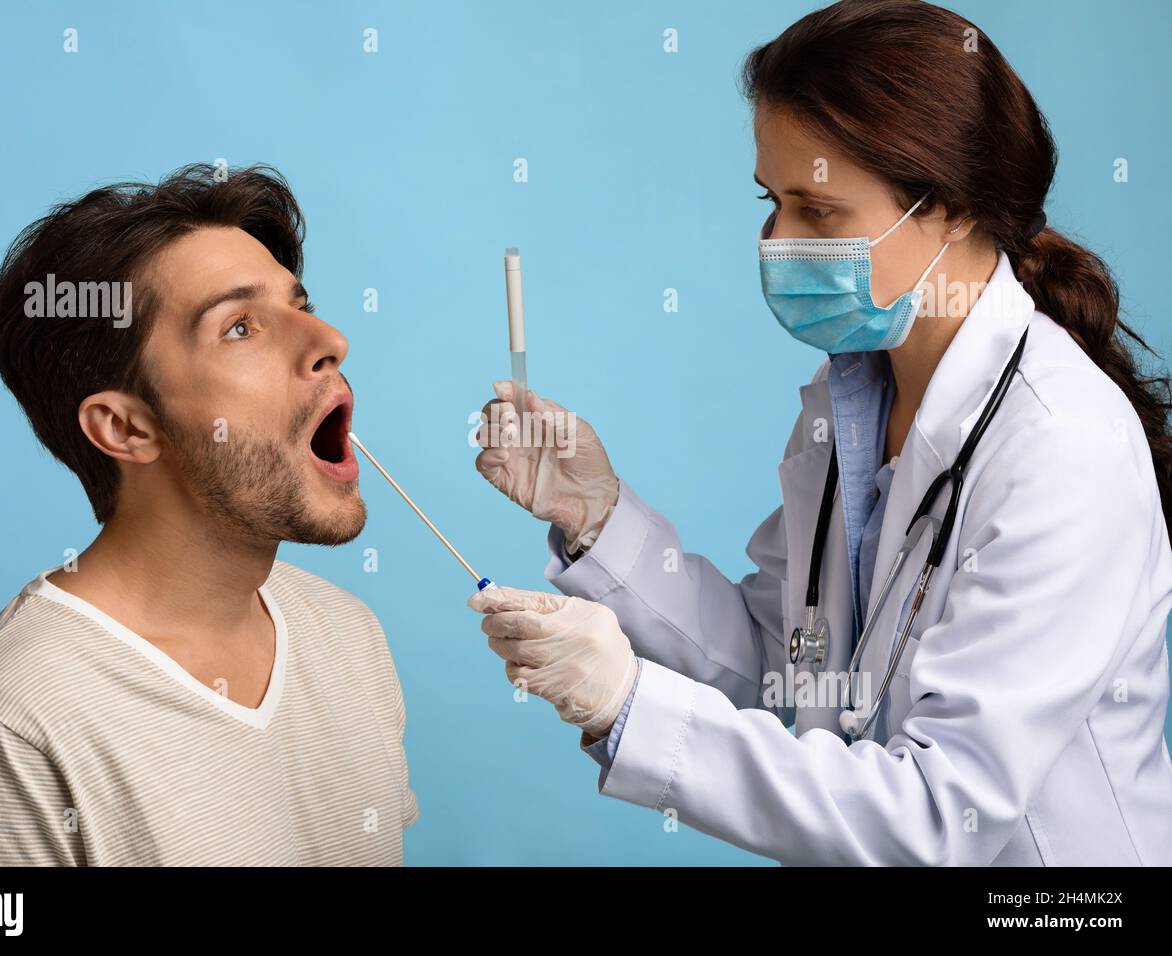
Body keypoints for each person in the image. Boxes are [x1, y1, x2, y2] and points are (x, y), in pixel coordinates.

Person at [469, 0, 1172, 865]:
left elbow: (937, 814)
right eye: (772, 202)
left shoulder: (1064, 449)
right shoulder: (848, 404)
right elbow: (784, 674)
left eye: (818, 208)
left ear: (948, 207)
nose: (777, 243)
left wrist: (628, 703)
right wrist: (599, 517)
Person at [0, 163, 418, 865]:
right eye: (241, 327)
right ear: (125, 428)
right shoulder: (4, 733)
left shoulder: (348, 636)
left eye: (300, 303)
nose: (329, 339)